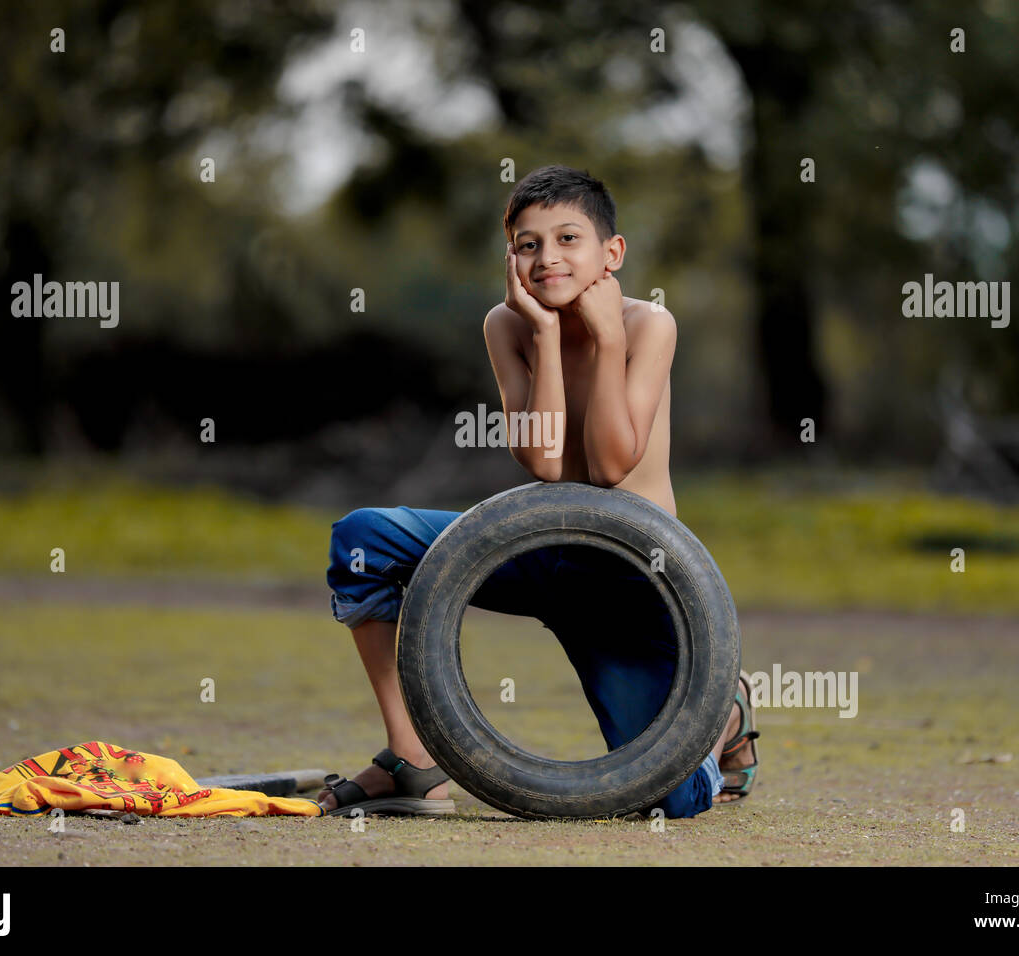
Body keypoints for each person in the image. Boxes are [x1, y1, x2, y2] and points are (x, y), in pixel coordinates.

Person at [319, 165, 759, 818]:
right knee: (361, 540)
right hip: (541, 551)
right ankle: (412, 760)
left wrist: (606, 337)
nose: (547, 257)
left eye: (568, 239)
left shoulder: (649, 325)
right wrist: (547, 335)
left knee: (672, 797)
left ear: (612, 254)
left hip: (633, 581)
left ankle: (722, 714)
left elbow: (610, 469)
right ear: (512, 258)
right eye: (529, 244)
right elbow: (545, 463)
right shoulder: (508, 325)